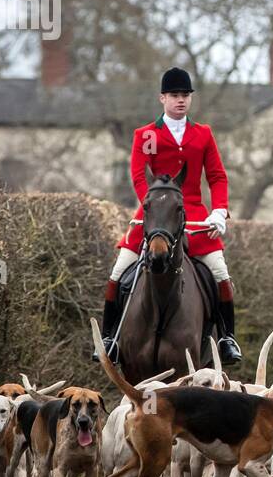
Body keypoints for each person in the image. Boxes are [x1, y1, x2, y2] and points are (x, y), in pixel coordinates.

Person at [94, 67, 243, 365]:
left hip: (195, 216)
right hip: (153, 215)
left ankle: (227, 338)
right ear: (162, 98)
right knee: (117, 271)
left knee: (220, 272)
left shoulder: (203, 135)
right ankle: (109, 339)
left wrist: (219, 211)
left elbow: (217, 176)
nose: (180, 100)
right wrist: (151, 207)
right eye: (175, 95)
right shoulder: (146, 135)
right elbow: (138, 176)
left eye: (185, 95)